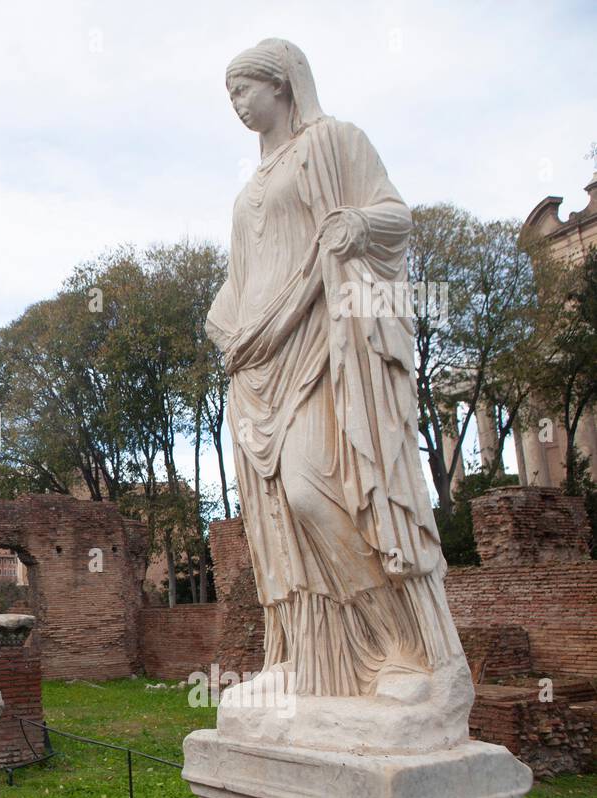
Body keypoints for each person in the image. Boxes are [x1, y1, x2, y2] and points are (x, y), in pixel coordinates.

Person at [208, 39, 468, 699]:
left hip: (322, 344)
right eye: (230, 95)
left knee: (314, 491)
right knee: (277, 523)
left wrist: (355, 224)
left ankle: (402, 649)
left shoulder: (335, 141)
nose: (238, 104)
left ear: (284, 83)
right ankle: (304, 662)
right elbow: (240, 279)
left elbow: (394, 216)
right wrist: (224, 325)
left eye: (246, 89)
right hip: (255, 364)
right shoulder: (249, 192)